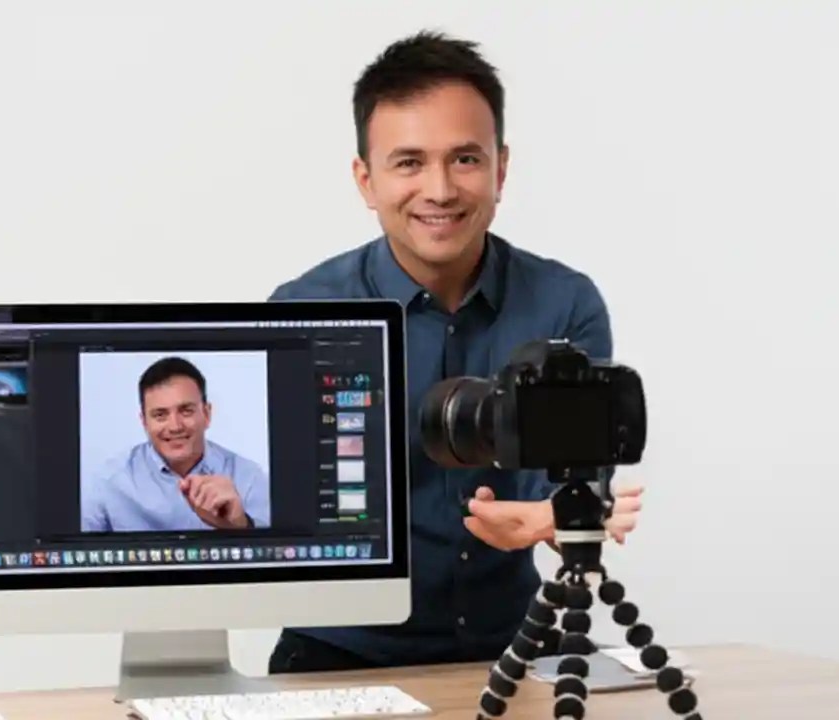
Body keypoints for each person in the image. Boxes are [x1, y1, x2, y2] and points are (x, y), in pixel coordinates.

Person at [266, 31, 645, 672]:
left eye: (465, 159)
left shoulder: (565, 302)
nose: (439, 190)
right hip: (339, 651)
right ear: (366, 179)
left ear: (501, 168)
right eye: (408, 163)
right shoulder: (303, 310)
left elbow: (573, 475)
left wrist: (556, 515)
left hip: (515, 644)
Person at [81, 356, 272, 532]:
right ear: (144, 422)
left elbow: (277, 553)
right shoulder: (108, 482)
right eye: (160, 415)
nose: (175, 426)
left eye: (186, 411)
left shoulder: (249, 477)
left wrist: (241, 526)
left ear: (206, 414)